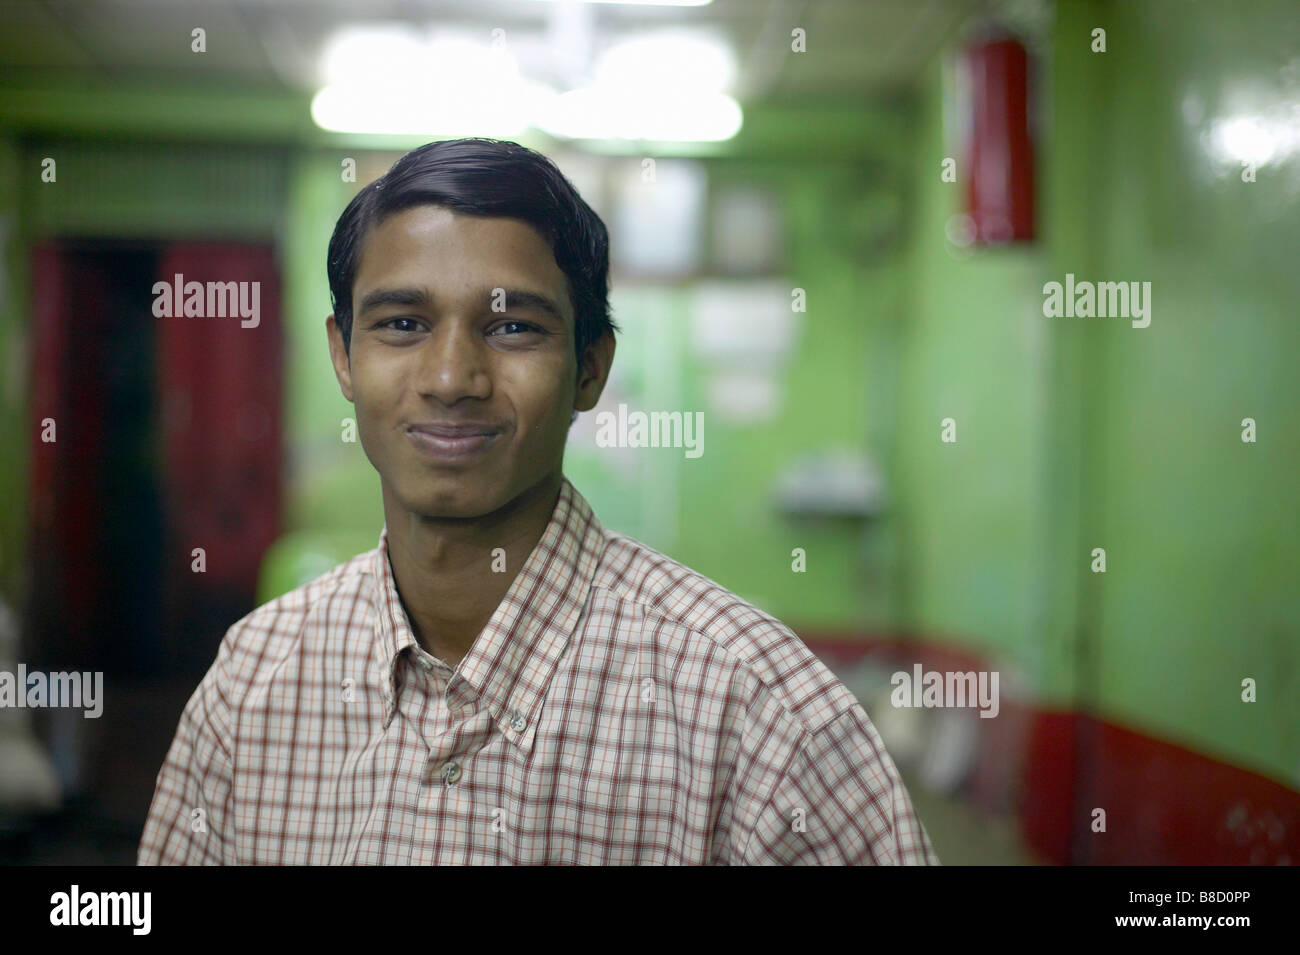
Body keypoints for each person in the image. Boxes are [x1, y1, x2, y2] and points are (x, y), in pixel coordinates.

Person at [138, 138, 938, 865]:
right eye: (404, 322)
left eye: (514, 327)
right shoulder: (254, 682)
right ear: (343, 357)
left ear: (591, 368)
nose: (452, 378)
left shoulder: (758, 713)